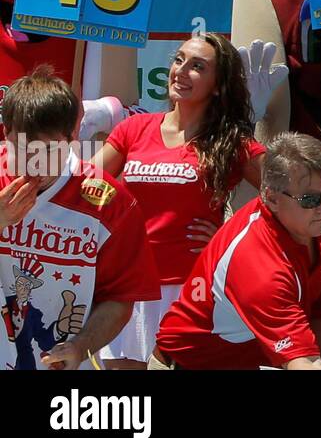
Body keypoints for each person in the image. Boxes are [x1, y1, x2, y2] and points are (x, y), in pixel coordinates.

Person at [91, 34, 268, 368]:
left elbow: (290, 192)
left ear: (218, 85)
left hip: (190, 290)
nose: (181, 71)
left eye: (197, 66)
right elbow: (83, 188)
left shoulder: (228, 142)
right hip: (128, 287)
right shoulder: (133, 129)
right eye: (179, 60)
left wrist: (231, 241)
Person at [0, 66, 158, 370]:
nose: (34, 164)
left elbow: (120, 298)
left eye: (48, 150)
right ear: (6, 133)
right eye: (22, 148)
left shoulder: (110, 203)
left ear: (72, 137)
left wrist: (81, 346)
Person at [152, 132, 321, 369]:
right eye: (310, 200)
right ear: (272, 199)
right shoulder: (258, 264)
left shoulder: (316, 226)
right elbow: (304, 364)